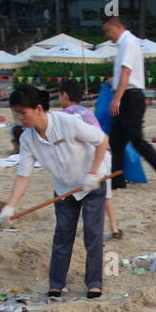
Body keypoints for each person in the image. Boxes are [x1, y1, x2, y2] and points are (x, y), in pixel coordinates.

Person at [0, 85, 111, 298]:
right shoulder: (27, 139)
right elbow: (23, 176)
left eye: (23, 112)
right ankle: (56, 284)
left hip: (92, 183)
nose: (19, 117)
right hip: (64, 189)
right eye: (16, 113)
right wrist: (10, 206)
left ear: (38, 109)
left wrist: (94, 173)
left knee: (92, 234)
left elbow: (102, 140)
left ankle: (94, 283)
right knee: (62, 235)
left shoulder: (67, 122)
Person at [102, 15, 156, 190]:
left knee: (137, 140)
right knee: (116, 141)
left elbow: (127, 72)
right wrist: (113, 81)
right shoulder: (125, 44)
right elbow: (125, 73)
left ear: (117, 26)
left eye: (108, 31)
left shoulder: (128, 42)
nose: (108, 35)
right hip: (128, 95)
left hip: (130, 98)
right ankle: (117, 179)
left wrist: (117, 98)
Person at [56, 78, 123, 239]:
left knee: (85, 194)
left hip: (93, 156)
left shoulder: (67, 115)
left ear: (64, 95)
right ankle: (114, 228)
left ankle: (95, 229)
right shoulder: (85, 111)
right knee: (106, 194)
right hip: (105, 154)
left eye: (59, 96)